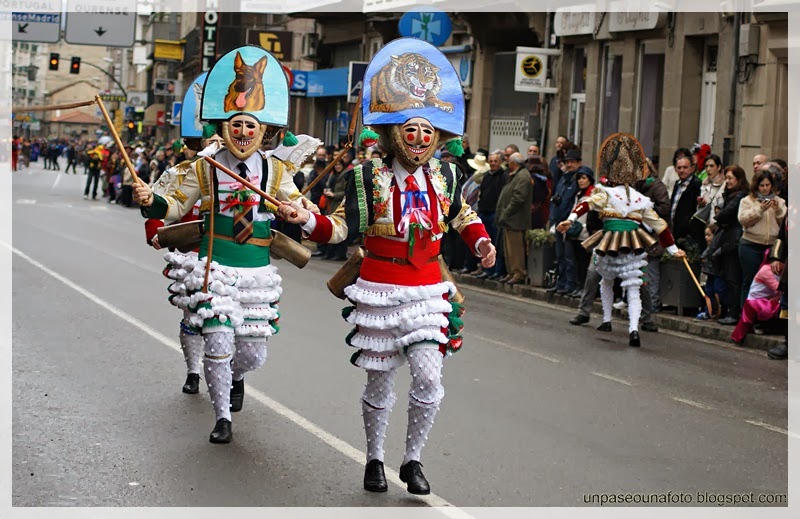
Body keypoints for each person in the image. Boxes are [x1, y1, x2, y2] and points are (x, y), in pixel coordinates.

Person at [279, 38, 496, 496]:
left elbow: (462, 214)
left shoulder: (447, 175)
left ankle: (412, 459)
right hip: (379, 285)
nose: (419, 139)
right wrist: (307, 220)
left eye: (427, 131)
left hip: (427, 288)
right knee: (379, 381)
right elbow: (339, 228)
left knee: (429, 375)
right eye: (410, 130)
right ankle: (374, 458)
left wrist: (481, 243)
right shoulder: (365, 177)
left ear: (438, 135)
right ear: (395, 132)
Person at [134, 46, 321, 444]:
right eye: (236, 124)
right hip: (213, 267)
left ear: (263, 131)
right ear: (224, 126)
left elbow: (300, 207)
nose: (242, 132)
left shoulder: (276, 171)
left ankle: (237, 377)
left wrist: (299, 214)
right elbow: (173, 206)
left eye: (250, 126)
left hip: (256, 270)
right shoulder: (205, 166)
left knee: (252, 354)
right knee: (216, 340)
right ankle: (222, 418)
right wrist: (152, 202)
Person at [558, 133, 685, 347]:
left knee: (609, 279)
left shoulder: (608, 194)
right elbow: (660, 226)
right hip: (632, 243)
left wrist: (570, 219)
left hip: (611, 242)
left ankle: (611, 320)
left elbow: (586, 204)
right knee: (632, 285)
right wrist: (673, 250)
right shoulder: (640, 199)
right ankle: (632, 328)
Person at [737, 170, 787, 307]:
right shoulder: (747, 201)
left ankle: (764, 316)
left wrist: (777, 211)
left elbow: (784, 224)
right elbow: (743, 220)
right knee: (750, 280)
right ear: (756, 186)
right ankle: (746, 315)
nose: (765, 188)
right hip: (750, 245)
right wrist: (760, 210)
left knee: (769, 283)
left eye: (767, 185)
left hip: (772, 247)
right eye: (762, 185)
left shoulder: (780, 201)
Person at [713, 166, 750, 325]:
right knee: (728, 276)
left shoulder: (740, 196)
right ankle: (730, 309)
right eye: (726, 178)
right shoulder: (732, 194)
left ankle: (734, 312)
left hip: (733, 240)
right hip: (728, 239)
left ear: (738, 179)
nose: (727, 182)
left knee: (733, 276)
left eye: (730, 178)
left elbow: (726, 213)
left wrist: (719, 215)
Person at [496, 152, 533, 285]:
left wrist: (506, 213)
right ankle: (511, 271)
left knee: (516, 248)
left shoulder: (522, 176)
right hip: (510, 220)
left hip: (516, 219)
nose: (508, 165)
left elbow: (518, 198)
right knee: (509, 249)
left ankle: (518, 272)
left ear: (514, 163)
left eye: (510, 162)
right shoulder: (516, 175)